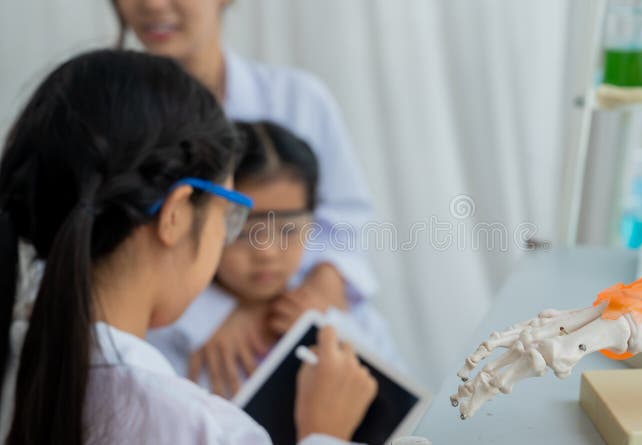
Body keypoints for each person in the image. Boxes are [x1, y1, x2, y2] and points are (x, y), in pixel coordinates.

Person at [0, 49, 375, 444]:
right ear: (176, 215)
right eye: (233, 219)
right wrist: (324, 434)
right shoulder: (203, 428)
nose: (264, 250)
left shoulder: (22, 362)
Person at [111, 0, 383, 386]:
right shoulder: (109, 122)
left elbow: (347, 216)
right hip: (190, 349)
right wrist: (210, 314)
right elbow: (90, 254)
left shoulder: (298, 99)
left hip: (308, 319)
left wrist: (324, 282)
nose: (153, 4)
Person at [149, 121, 400, 396]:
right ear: (206, 220)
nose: (267, 252)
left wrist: (334, 334)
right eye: (244, 231)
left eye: (289, 230)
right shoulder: (172, 332)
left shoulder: (348, 316)